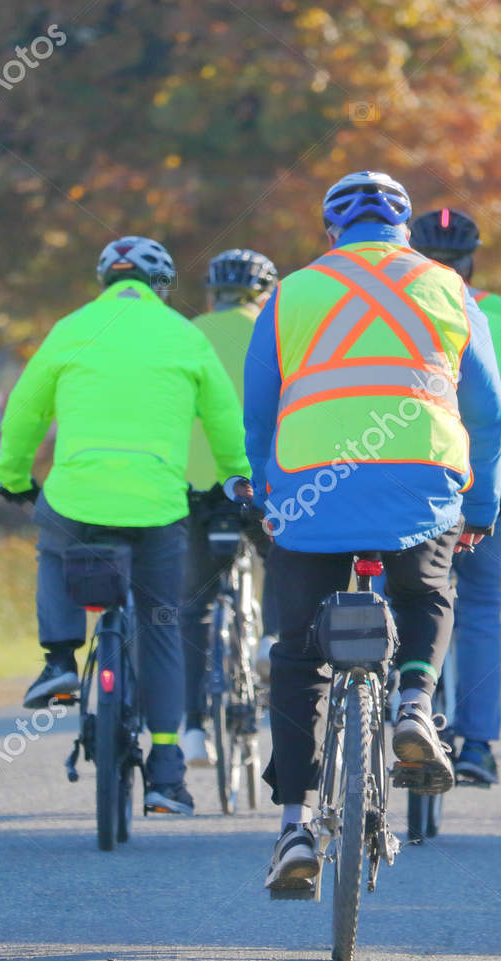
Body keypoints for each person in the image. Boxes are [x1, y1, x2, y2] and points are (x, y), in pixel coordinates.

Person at [244, 172, 501, 890]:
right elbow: (488, 413)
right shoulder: (450, 289)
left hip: (310, 487)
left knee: (299, 657)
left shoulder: (290, 293)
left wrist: (270, 492)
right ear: (403, 229)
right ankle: (416, 702)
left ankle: (294, 824)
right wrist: (480, 507)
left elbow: (260, 411)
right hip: (418, 477)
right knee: (426, 590)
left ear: (331, 233)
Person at [0, 235, 251, 815]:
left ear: (104, 280)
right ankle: (165, 770)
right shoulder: (186, 336)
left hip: (79, 497)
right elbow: (225, 422)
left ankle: (59, 661)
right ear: (160, 288)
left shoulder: (70, 329)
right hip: (157, 504)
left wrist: (11, 477)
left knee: (54, 541)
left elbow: (26, 411)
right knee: (160, 624)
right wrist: (238, 479)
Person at [407, 207, 501, 788]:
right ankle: (476, 744)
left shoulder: (387, 307)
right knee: (476, 610)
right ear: (473, 261)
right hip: (477, 484)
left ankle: (401, 710)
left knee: (402, 596)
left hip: (406, 479)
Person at [180, 248, 278, 769]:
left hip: (194, 488)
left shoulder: (190, 332)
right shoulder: (276, 330)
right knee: (285, 561)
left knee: (193, 605)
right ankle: (272, 642)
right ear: (264, 292)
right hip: (260, 483)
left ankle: (194, 730)